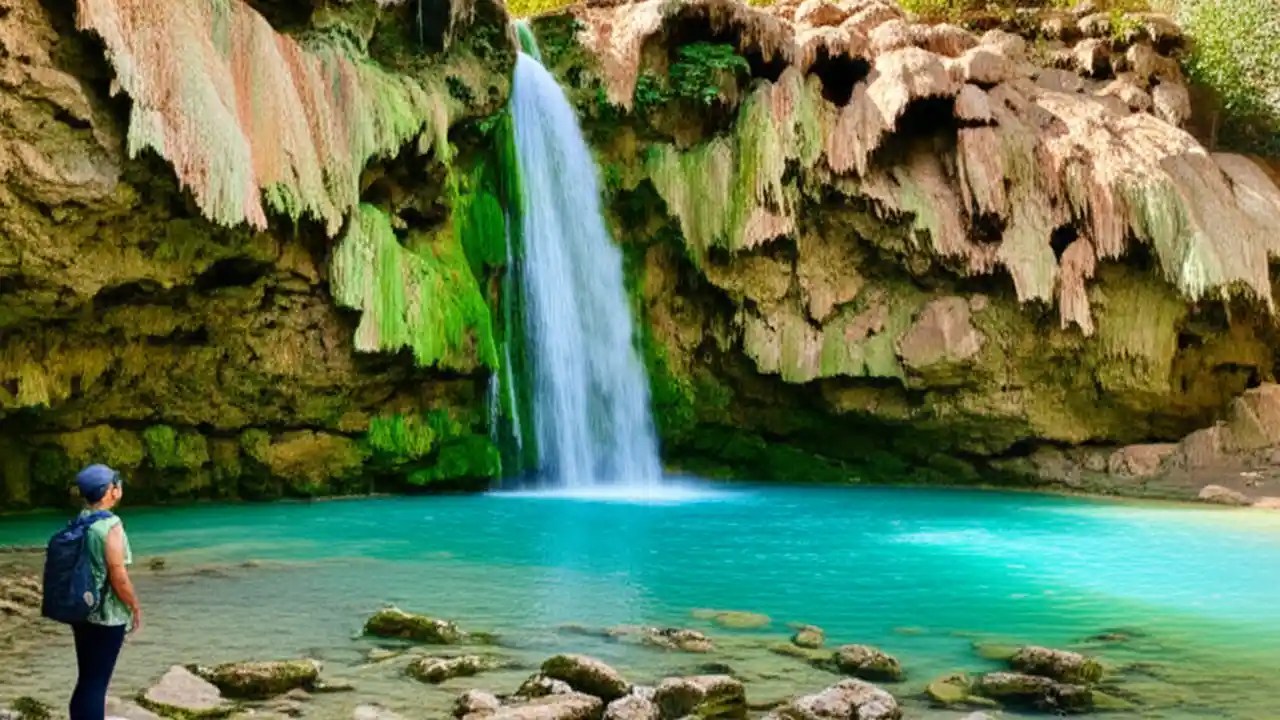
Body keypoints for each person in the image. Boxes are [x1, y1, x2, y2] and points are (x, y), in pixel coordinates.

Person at [70, 464, 142, 720]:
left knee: (87, 677)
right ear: (110, 491)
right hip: (106, 614)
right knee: (97, 682)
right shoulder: (111, 525)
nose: (120, 487)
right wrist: (134, 606)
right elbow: (118, 575)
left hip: (81, 610)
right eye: (117, 483)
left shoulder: (83, 518)